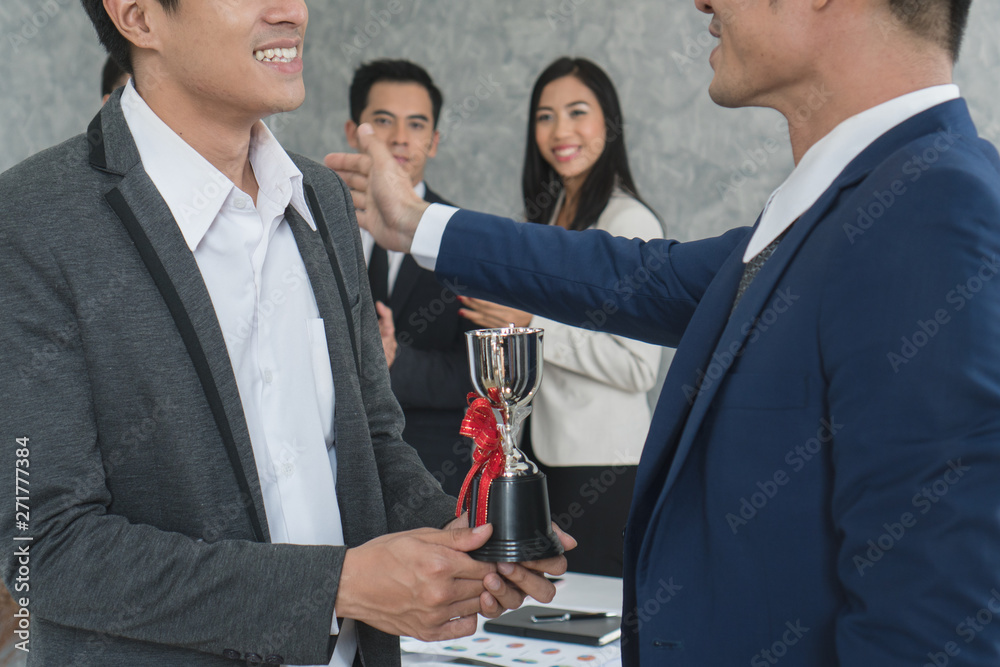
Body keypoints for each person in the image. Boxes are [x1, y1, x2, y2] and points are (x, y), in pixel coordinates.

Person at [327, 0, 1000, 664]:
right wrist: (418, 223)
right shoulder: (849, 200)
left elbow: (933, 618)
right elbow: (642, 276)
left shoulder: (933, 206)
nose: (702, 2)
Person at [0, 1, 571, 665]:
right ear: (138, 17)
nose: (292, 10)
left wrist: (467, 536)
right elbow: (45, 550)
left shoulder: (322, 199)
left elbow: (374, 443)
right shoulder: (33, 222)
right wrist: (338, 587)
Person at [458, 57, 663, 577]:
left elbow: (639, 368)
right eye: (545, 116)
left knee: (600, 621)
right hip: (541, 460)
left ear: (608, 125)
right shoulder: (547, 220)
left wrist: (532, 324)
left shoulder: (629, 221)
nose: (560, 131)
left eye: (577, 112)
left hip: (604, 465)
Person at [345, 59, 474, 497]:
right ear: (352, 131)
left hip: (433, 473)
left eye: (416, 125)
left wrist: (394, 359)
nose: (400, 138)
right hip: (330, 468)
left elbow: (474, 374)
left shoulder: (465, 240)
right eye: (383, 120)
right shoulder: (311, 225)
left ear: (434, 141)